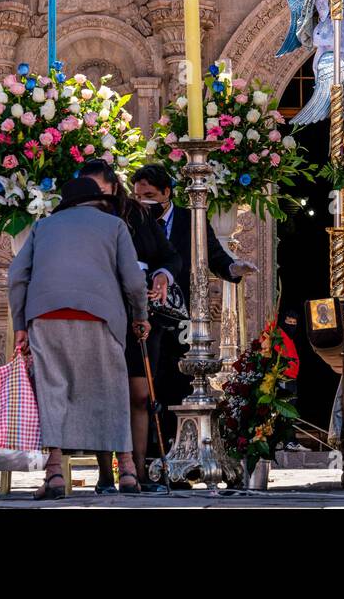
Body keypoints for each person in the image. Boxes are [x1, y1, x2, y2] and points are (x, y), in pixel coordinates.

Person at [8, 176, 149, 500]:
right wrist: (140, 316)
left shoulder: (43, 228)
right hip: (100, 315)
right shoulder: (114, 226)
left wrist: (20, 324)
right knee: (111, 390)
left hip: (46, 316)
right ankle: (126, 469)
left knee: (52, 393)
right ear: (100, 202)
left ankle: (55, 473)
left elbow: (17, 276)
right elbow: (134, 281)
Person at [130, 163, 255, 463]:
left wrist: (234, 268)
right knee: (147, 385)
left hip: (182, 316)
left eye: (148, 195)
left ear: (166, 194)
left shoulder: (190, 219)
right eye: (137, 195)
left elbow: (213, 255)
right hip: (144, 317)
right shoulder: (132, 221)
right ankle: (148, 458)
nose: (142, 201)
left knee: (178, 382)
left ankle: (180, 454)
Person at [78, 158, 181, 494]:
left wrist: (163, 276)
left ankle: (136, 470)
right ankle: (106, 474)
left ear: (112, 186)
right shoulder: (75, 217)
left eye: (99, 189)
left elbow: (168, 256)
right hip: (96, 311)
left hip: (137, 314)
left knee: (140, 393)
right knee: (102, 393)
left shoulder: (135, 213)